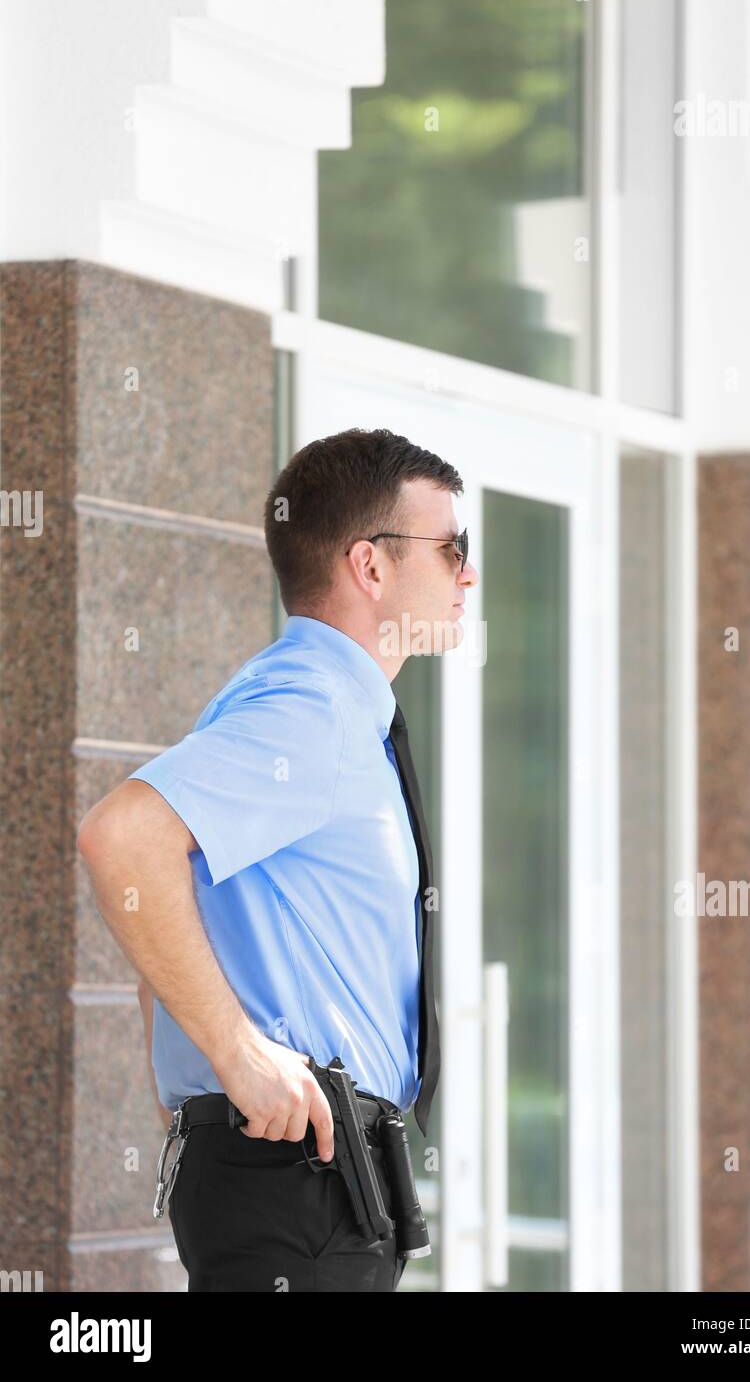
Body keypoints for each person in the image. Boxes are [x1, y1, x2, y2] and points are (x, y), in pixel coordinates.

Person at [77, 428, 478, 1292]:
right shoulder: (314, 705)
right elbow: (124, 839)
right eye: (451, 548)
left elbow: (173, 886)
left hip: (312, 1184)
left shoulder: (315, 703)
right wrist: (232, 1060)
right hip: (298, 1184)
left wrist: (205, 1086)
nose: (467, 574)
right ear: (370, 567)